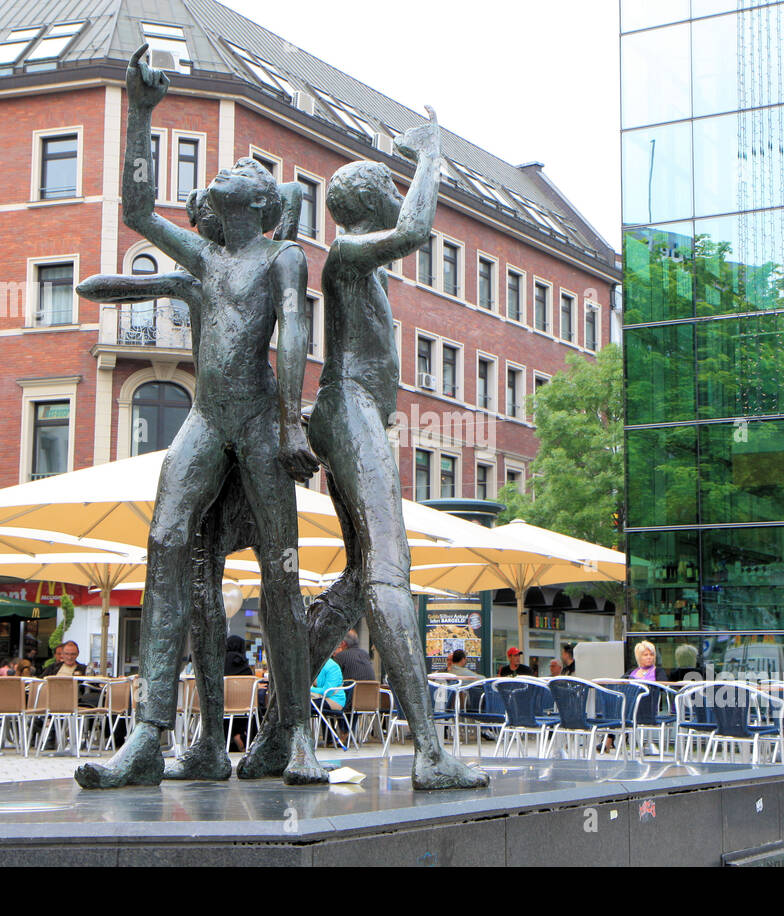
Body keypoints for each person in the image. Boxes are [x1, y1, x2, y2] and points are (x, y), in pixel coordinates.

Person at [75, 46, 322, 790]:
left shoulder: (281, 257)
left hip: (258, 418)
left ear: (257, 198)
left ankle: (297, 732)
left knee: (282, 573)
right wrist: (143, 112)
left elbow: (295, 338)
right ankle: (151, 734)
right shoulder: (208, 260)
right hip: (208, 418)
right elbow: (137, 212)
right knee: (167, 538)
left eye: (229, 178)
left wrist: (288, 424)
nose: (214, 181)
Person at [298, 104, 486, 791]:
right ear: (371, 201)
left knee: (354, 583)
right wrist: (431, 154)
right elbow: (416, 228)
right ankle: (431, 751)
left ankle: (279, 723)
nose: (396, 195)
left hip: (354, 416)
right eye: (390, 187)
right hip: (348, 413)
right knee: (389, 573)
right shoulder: (348, 253)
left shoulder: (362, 268)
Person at [311, 655, 348, 746]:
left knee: (305, 705)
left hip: (334, 700)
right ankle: (330, 739)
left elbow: (328, 691)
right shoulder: (319, 666)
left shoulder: (332, 667)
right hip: (324, 698)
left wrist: (309, 689)